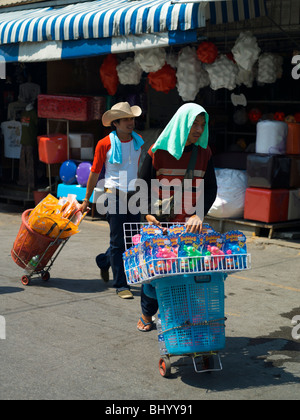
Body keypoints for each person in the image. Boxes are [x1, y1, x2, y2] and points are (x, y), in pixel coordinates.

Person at [136, 102, 217, 331]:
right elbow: (141, 185)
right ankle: (147, 314)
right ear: (182, 124)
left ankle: (178, 319)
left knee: (186, 277)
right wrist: (147, 213)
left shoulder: (205, 153)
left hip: (188, 228)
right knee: (154, 278)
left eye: (203, 125)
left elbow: (210, 188)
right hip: (160, 227)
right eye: (194, 125)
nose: (199, 130)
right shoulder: (157, 152)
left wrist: (199, 215)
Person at [80, 102, 143, 299]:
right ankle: (121, 285)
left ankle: (104, 260)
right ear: (115, 123)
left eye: (131, 118)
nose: (130, 122)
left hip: (134, 194)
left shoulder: (138, 141)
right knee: (118, 242)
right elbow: (94, 172)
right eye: (126, 119)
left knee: (132, 241)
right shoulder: (104, 144)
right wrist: (86, 200)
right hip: (113, 194)